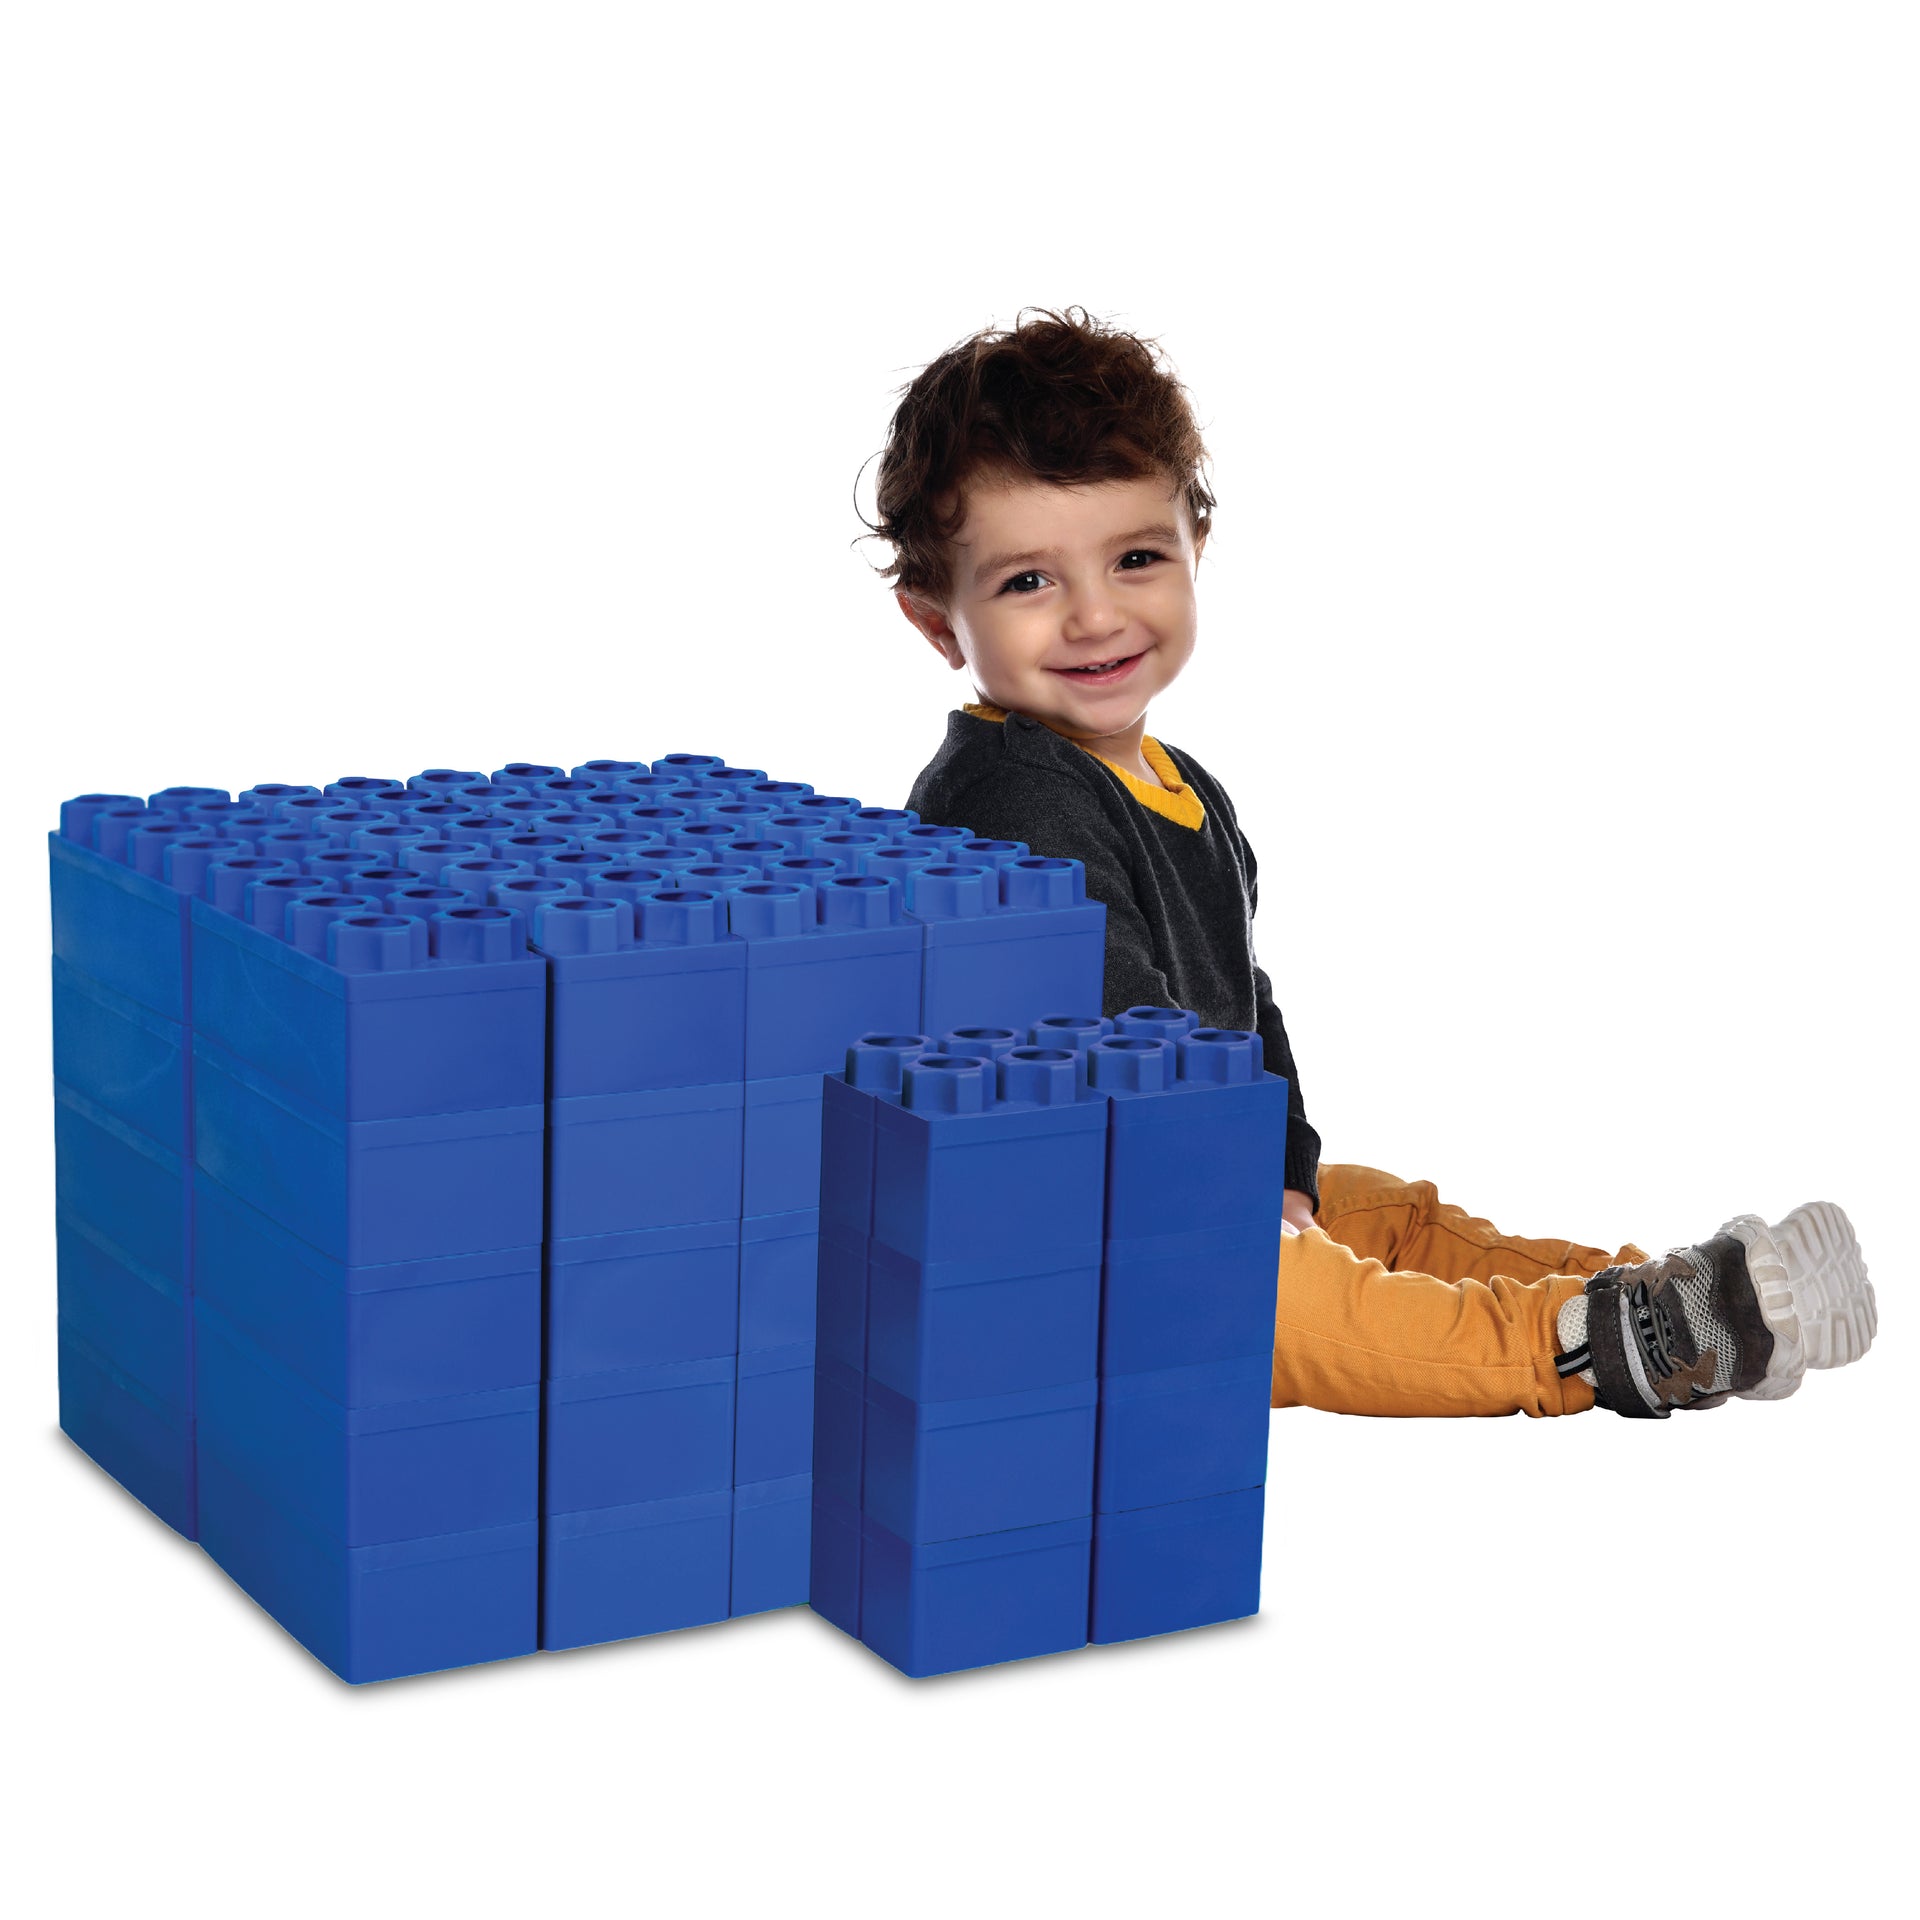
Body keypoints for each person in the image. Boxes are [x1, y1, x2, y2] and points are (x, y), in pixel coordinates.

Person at [870, 307, 1875, 1419]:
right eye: (1028, 583)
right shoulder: (1006, 798)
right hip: (1057, 1246)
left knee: (1385, 1215)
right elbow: (1112, 1033)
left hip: (1178, 1183)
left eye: (1136, 559)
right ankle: (1588, 1343)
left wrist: (1282, 1171)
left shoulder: (1182, 787)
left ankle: (1677, 1303)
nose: (1096, 615)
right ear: (938, 622)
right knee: (1286, 1295)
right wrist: (1234, 1201)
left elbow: (1245, 1003)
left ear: (1195, 546)